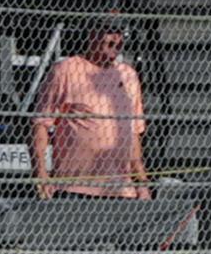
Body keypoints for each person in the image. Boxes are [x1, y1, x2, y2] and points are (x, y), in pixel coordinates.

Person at [31, 21, 151, 199]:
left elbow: (133, 133)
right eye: (110, 32)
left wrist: (141, 183)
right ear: (92, 33)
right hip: (75, 189)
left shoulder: (128, 76)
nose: (116, 39)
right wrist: (41, 174)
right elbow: (40, 124)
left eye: (120, 33)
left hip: (121, 190)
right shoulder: (66, 70)